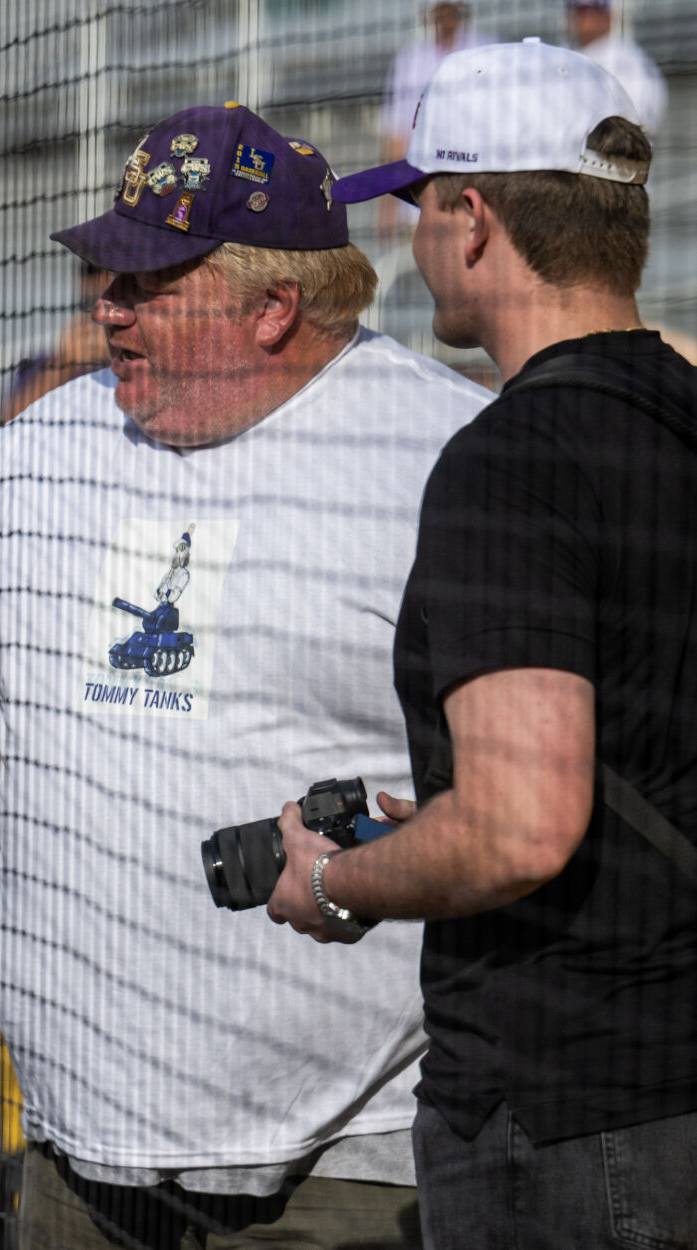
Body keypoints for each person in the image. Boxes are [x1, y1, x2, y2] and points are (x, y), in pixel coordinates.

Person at [0, 104, 491, 1249]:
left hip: (346, 1155)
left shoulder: (446, 454)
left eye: (147, 281)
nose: (106, 304)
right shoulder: (50, 443)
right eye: (107, 273)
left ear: (274, 305)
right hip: (81, 1145)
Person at [271, 39, 697, 1250]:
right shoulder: (681, 413)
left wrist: (334, 881)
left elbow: (520, 828)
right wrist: (448, 820)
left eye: (419, 204)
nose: (410, 238)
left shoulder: (510, 459)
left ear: (472, 218)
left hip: (573, 1118)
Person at [377, 4, 488, 243]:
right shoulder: (411, 60)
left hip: (477, 193)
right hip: (420, 200)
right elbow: (396, 135)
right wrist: (388, 207)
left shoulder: (485, 48)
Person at [0, 263, 112, 425]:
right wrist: (66, 362)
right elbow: (6, 425)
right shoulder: (38, 365)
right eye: (89, 303)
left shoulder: (133, 368)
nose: (97, 316)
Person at [568, 0, 666, 137]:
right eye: (579, 10)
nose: (584, 17)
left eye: (590, 11)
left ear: (608, 16)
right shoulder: (563, 53)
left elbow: (638, 128)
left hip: (611, 147)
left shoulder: (628, 60)